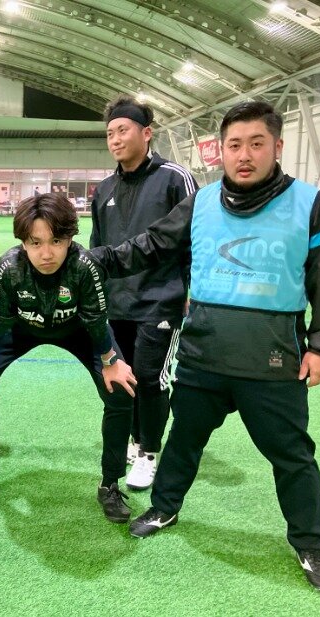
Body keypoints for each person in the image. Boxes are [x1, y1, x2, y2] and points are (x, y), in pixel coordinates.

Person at [93, 101, 320, 592]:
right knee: (183, 440)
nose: (244, 155)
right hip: (203, 355)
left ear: (277, 146)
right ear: (221, 151)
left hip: (272, 359)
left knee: (292, 455)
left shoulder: (309, 203)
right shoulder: (203, 202)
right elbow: (149, 245)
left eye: (256, 144)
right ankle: (164, 508)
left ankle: (310, 544)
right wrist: (86, 259)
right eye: (234, 145)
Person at [0, 193, 137, 522]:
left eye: (56, 241)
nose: (46, 253)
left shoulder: (85, 266)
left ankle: (110, 484)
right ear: (23, 241)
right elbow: (0, 319)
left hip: (79, 329)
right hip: (19, 327)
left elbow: (96, 320)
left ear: (70, 238)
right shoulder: (9, 267)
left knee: (120, 390)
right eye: (35, 243)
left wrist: (111, 361)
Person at [90, 95, 198, 490]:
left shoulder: (175, 178)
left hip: (160, 299)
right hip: (117, 303)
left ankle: (149, 452)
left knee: (151, 379)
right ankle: (135, 441)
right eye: (110, 133)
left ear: (146, 133)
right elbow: (98, 246)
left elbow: (195, 236)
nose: (115, 140)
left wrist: (191, 290)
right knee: (125, 377)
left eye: (123, 130)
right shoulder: (104, 189)